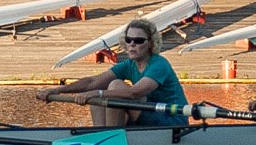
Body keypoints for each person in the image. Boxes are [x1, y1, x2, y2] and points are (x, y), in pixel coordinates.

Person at [40, 17, 187, 127]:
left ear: (150, 44)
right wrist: (57, 90)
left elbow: (134, 93)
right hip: (148, 114)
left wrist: (97, 93)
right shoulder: (128, 65)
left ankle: (110, 137)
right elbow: (92, 82)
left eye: (138, 41)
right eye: (128, 40)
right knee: (99, 88)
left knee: (115, 86)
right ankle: (102, 135)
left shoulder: (159, 64)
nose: (132, 44)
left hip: (172, 120)